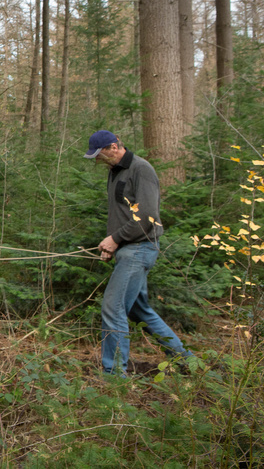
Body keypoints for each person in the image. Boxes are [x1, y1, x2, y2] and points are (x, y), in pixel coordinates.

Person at [84, 129, 194, 375]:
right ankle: (185, 360)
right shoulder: (115, 171)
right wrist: (113, 244)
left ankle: (115, 377)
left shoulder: (141, 169)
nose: (98, 160)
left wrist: (116, 239)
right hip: (127, 249)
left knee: (113, 309)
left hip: (139, 249)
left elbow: (147, 218)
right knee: (138, 310)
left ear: (114, 146)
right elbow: (123, 214)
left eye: (100, 154)